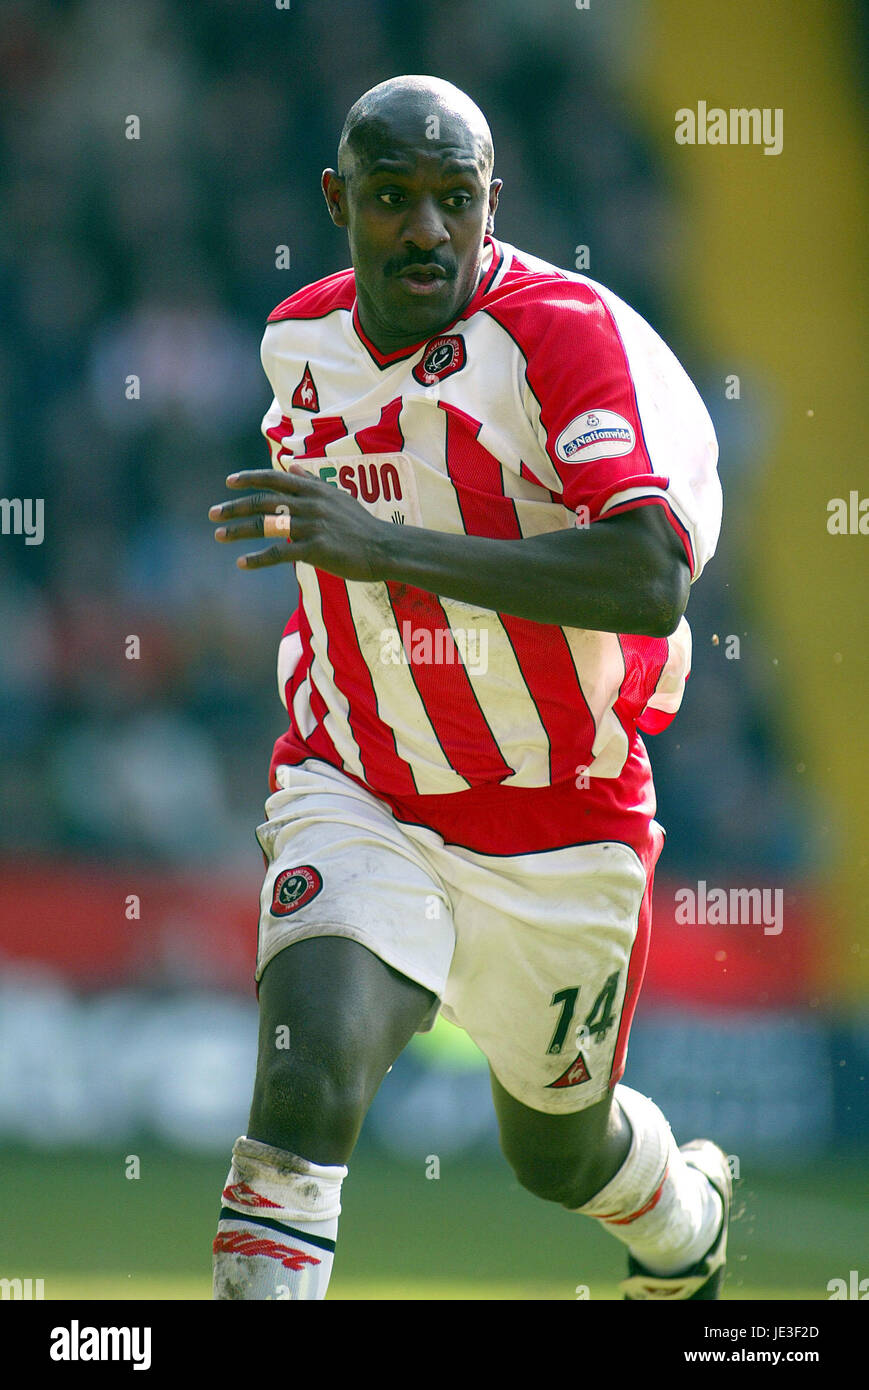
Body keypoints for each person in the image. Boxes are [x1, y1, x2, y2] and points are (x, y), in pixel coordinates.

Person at [208, 74, 725, 1301]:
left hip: (559, 817)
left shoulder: (560, 336)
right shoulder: (298, 342)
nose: (425, 229)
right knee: (301, 1085)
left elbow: (649, 574)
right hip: (359, 786)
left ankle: (686, 1227)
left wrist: (379, 548)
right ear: (340, 201)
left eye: (454, 199)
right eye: (392, 199)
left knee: (555, 1152)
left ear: (495, 204)